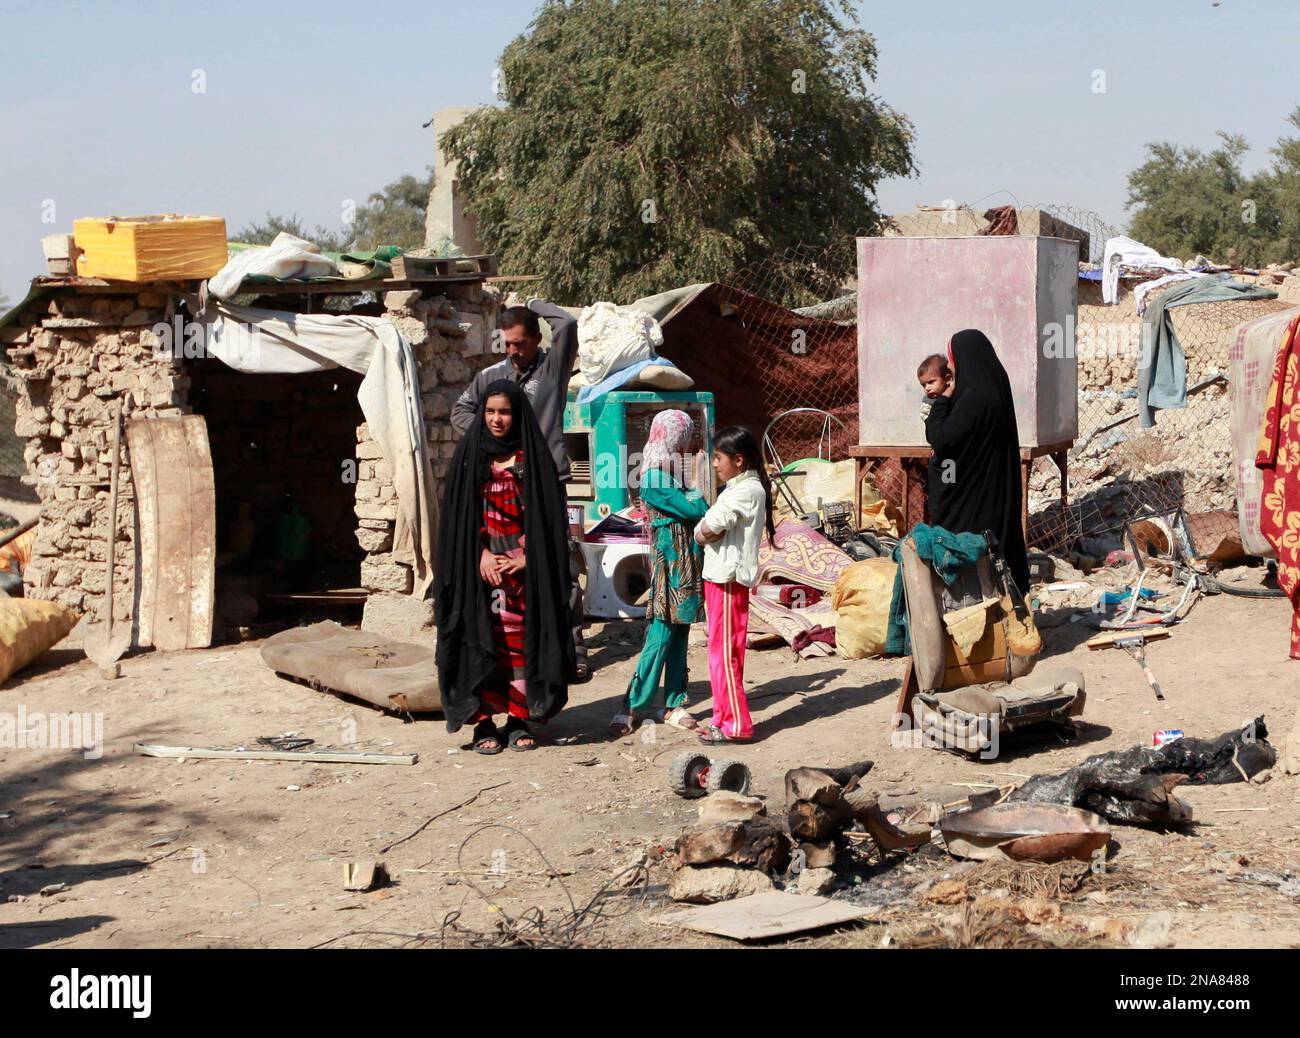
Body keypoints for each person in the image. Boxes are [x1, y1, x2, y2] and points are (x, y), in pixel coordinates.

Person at [451, 299, 591, 682]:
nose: (514, 351)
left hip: (549, 481)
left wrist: (533, 303)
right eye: (508, 344)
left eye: (521, 343)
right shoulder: (492, 378)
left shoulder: (552, 368)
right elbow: (460, 412)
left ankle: (572, 645)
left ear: (535, 339)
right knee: (508, 561)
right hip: (504, 485)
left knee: (557, 559)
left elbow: (567, 323)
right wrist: (492, 443)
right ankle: (517, 645)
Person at [435, 380, 576, 753]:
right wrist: (479, 556)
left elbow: (549, 522)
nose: (497, 420)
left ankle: (517, 718)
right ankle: (484, 723)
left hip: (524, 572)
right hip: (478, 572)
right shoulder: (471, 457)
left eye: (505, 412)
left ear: (518, 414)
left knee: (518, 645)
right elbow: (457, 521)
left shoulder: (534, 458)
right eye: (491, 411)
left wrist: (526, 557)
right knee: (478, 642)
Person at [609, 410, 710, 737]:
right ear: (673, 437)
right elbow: (697, 510)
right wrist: (697, 481)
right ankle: (631, 704)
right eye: (685, 437)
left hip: (684, 565)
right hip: (670, 568)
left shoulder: (669, 473)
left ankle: (672, 704)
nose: (689, 443)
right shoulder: (654, 477)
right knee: (661, 636)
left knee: (679, 634)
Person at [923, 329, 1030, 593]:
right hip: (996, 493)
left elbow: (942, 439)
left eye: (953, 364)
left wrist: (942, 402)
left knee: (969, 548)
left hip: (972, 503)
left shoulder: (972, 399)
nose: (952, 371)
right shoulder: (995, 387)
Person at [692, 426, 775, 744]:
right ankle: (722, 717)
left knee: (724, 653)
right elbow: (711, 526)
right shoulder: (740, 488)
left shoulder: (745, 491)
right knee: (723, 651)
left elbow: (709, 526)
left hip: (727, 579)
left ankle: (737, 725)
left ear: (738, 460)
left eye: (718, 458)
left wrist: (701, 532)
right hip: (720, 578)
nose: (714, 464)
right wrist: (705, 530)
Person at [916, 353, 953, 420]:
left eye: (931, 382)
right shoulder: (928, 404)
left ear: (947, 379)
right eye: (923, 385)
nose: (927, 388)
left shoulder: (956, 393)